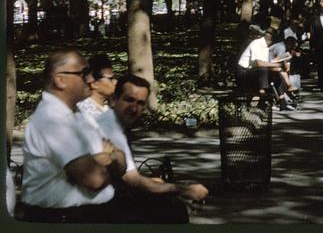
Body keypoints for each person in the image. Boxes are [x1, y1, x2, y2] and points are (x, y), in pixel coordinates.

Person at [19, 49, 127, 223]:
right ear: (60, 80)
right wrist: (106, 160)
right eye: (83, 73)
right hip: (62, 219)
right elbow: (95, 179)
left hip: (94, 215)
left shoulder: (79, 113)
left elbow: (121, 163)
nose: (91, 80)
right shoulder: (51, 120)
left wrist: (110, 157)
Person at [95, 75, 208, 223]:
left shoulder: (115, 123)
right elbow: (133, 181)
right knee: (173, 211)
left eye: (140, 103)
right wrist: (184, 189)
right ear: (114, 99)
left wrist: (163, 187)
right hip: (99, 208)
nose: (134, 108)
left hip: (112, 198)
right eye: (129, 100)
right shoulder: (110, 128)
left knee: (171, 205)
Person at [77, 53, 117, 118]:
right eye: (111, 79)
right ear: (94, 84)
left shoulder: (108, 109)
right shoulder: (81, 112)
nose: (115, 82)